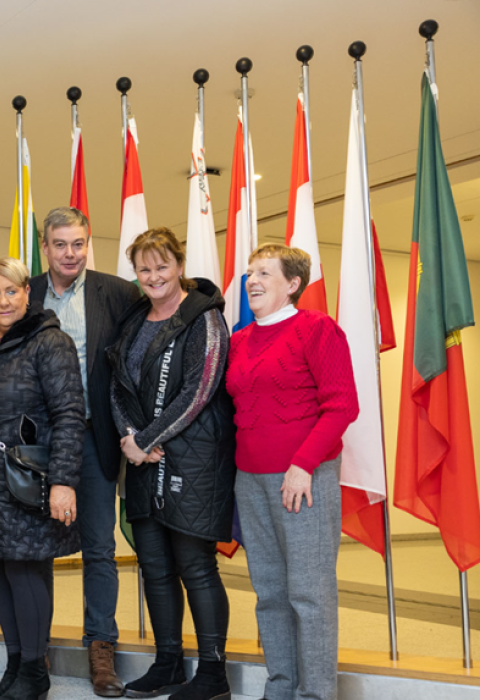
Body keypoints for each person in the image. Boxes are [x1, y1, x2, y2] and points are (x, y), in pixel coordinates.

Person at [107, 229, 235, 700]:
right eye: (144, 268)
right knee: (154, 567)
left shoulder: (205, 317)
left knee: (195, 565)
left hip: (194, 458)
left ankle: (212, 674)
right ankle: (167, 663)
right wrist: (132, 439)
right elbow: (117, 384)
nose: (153, 276)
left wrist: (146, 439)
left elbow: (199, 390)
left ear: (178, 266)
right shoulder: (134, 318)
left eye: (162, 266)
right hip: (143, 458)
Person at [226, 243, 359, 700]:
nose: (252, 281)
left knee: (309, 595)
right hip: (250, 480)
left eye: (264, 272)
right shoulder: (239, 340)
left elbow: (342, 406)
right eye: (249, 273)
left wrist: (303, 465)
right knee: (270, 594)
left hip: (303, 479)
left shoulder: (317, 329)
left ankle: (315, 694)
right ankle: (280, 687)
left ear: (293, 283)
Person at [0, 257, 84, 700]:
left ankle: (34, 673)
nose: (3, 300)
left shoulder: (50, 342)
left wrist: (63, 481)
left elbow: (68, 415)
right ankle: (14, 669)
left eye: (12, 290)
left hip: (28, 482)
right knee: (0, 571)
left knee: (26, 572)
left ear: (28, 293)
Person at [28, 207, 139, 697]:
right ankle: (36, 650)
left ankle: (101, 646)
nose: (70, 253)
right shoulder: (24, 293)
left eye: (78, 243)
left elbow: (138, 360)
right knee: (38, 548)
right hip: (37, 447)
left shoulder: (117, 292)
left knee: (99, 547)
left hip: (95, 440)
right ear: (45, 247)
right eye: (60, 244)